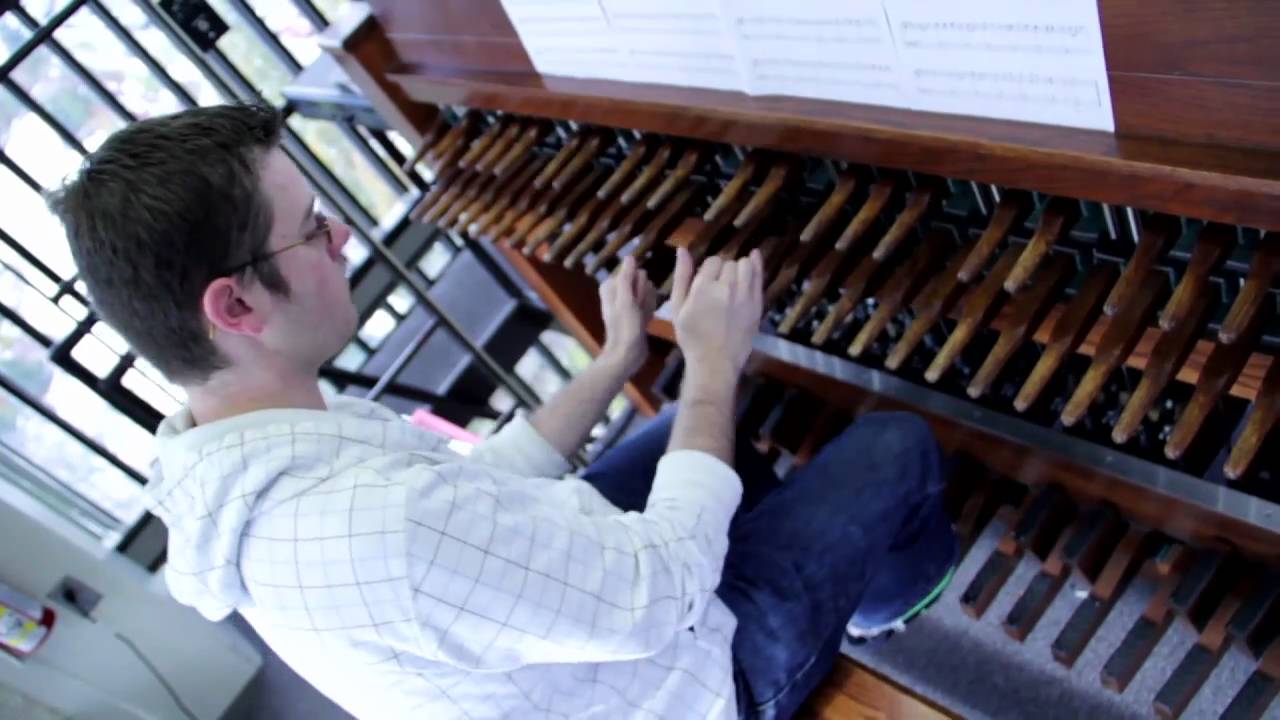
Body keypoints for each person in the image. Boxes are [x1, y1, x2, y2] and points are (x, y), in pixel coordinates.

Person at [48, 104, 958, 720]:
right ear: (235, 308)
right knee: (895, 443)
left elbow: (472, 492)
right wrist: (714, 366)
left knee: (679, 432)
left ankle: (783, 523)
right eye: (313, 227)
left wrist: (614, 362)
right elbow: (662, 594)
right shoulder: (365, 525)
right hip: (696, 685)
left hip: (571, 632)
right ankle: (876, 612)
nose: (344, 237)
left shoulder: (240, 454)